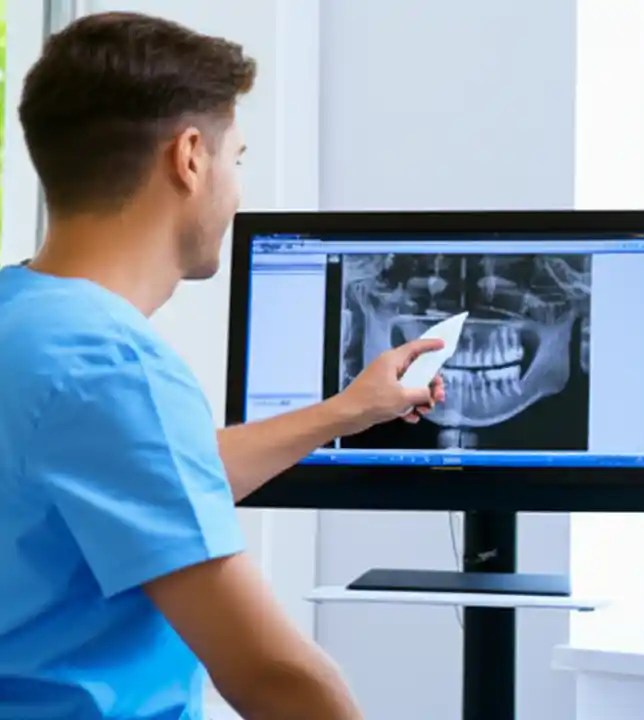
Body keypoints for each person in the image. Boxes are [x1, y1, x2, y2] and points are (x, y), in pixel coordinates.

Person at [0, 12, 445, 720]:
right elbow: (274, 676)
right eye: (236, 159)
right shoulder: (112, 365)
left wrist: (349, 410)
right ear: (189, 157)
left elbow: (148, 481)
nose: (236, 188)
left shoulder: (22, 320)